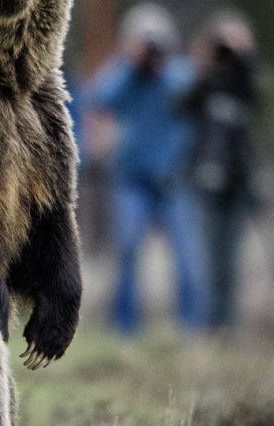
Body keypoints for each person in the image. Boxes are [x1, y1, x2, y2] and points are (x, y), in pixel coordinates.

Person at [89, 3, 204, 335]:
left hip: (174, 180)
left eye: (157, 44)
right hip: (131, 180)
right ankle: (126, 327)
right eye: (145, 43)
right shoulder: (124, 76)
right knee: (126, 251)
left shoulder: (178, 74)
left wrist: (160, 66)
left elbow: (191, 96)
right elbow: (101, 97)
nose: (151, 50)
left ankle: (192, 328)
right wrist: (131, 64)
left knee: (187, 256)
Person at [185, 11, 260, 328]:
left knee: (230, 256)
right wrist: (203, 65)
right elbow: (183, 104)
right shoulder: (207, 81)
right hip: (207, 177)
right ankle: (208, 321)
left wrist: (244, 59)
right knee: (208, 253)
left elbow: (256, 93)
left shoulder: (248, 80)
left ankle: (228, 321)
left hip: (240, 179)